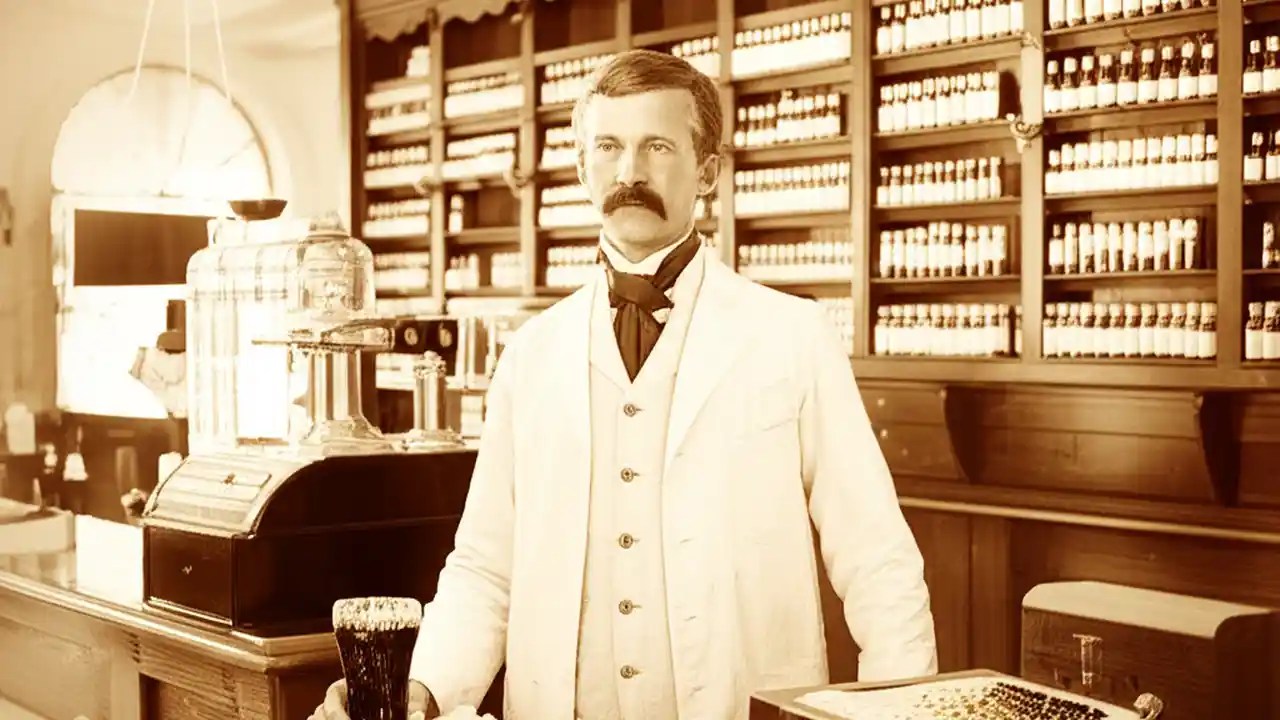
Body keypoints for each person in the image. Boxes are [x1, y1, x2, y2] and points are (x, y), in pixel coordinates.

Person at [314, 48, 937, 720]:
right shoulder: (530, 354)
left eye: (657, 147)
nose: (630, 172)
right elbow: (486, 569)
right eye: (608, 146)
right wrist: (425, 687)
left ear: (708, 171)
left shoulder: (791, 335)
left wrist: (897, 710)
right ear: (582, 167)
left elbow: (876, 557)